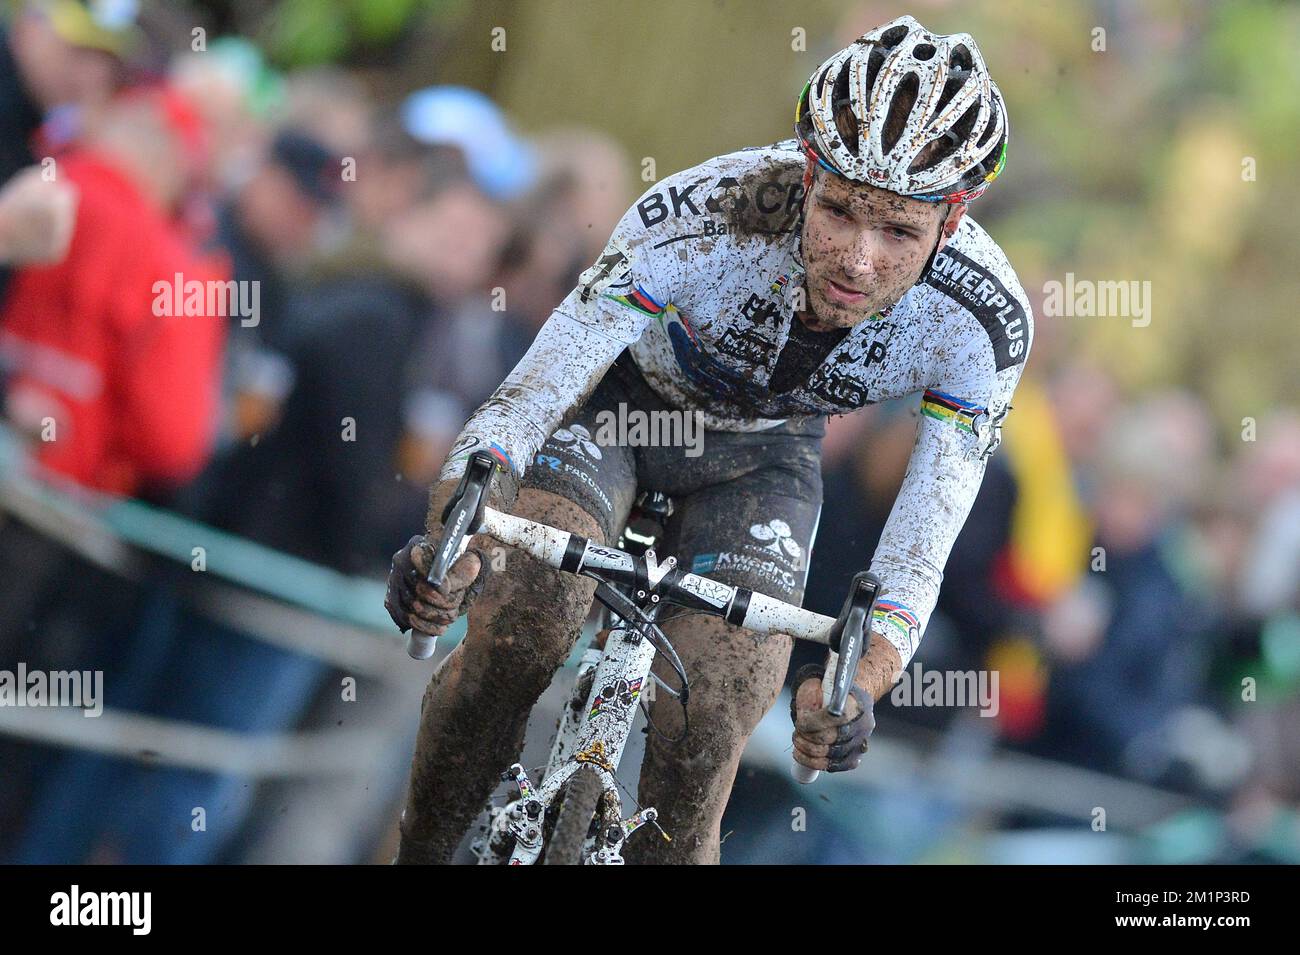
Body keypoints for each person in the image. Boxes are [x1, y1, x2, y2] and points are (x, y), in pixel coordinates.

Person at [385, 15, 1032, 864]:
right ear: (806, 174)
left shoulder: (981, 323)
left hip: (762, 460)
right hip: (622, 411)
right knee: (526, 622)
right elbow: (528, 400)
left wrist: (855, 686)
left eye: (900, 232)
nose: (859, 260)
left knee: (715, 716)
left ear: (949, 227)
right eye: (838, 210)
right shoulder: (704, 214)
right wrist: (451, 540)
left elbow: (919, 547)